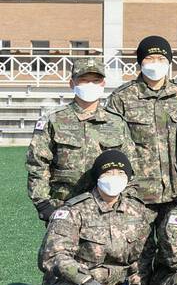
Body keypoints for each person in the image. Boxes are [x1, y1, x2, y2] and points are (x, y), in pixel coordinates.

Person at [38, 150, 154, 285]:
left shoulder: (137, 212)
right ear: (97, 177)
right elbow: (52, 256)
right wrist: (86, 281)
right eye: (108, 172)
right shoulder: (73, 210)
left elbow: (143, 258)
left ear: (128, 177)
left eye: (120, 173)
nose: (114, 177)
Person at [27, 58, 131, 221]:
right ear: (72, 83)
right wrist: (43, 205)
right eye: (84, 80)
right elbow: (37, 164)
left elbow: (130, 164)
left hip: (106, 207)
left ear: (103, 84)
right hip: (64, 206)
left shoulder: (116, 121)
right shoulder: (54, 120)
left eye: (96, 81)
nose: (90, 85)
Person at [105, 35, 177, 217]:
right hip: (139, 193)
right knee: (139, 246)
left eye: (161, 58)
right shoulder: (122, 97)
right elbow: (112, 145)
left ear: (169, 63)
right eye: (149, 58)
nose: (155, 63)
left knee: (176, 244)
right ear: (140, 62)